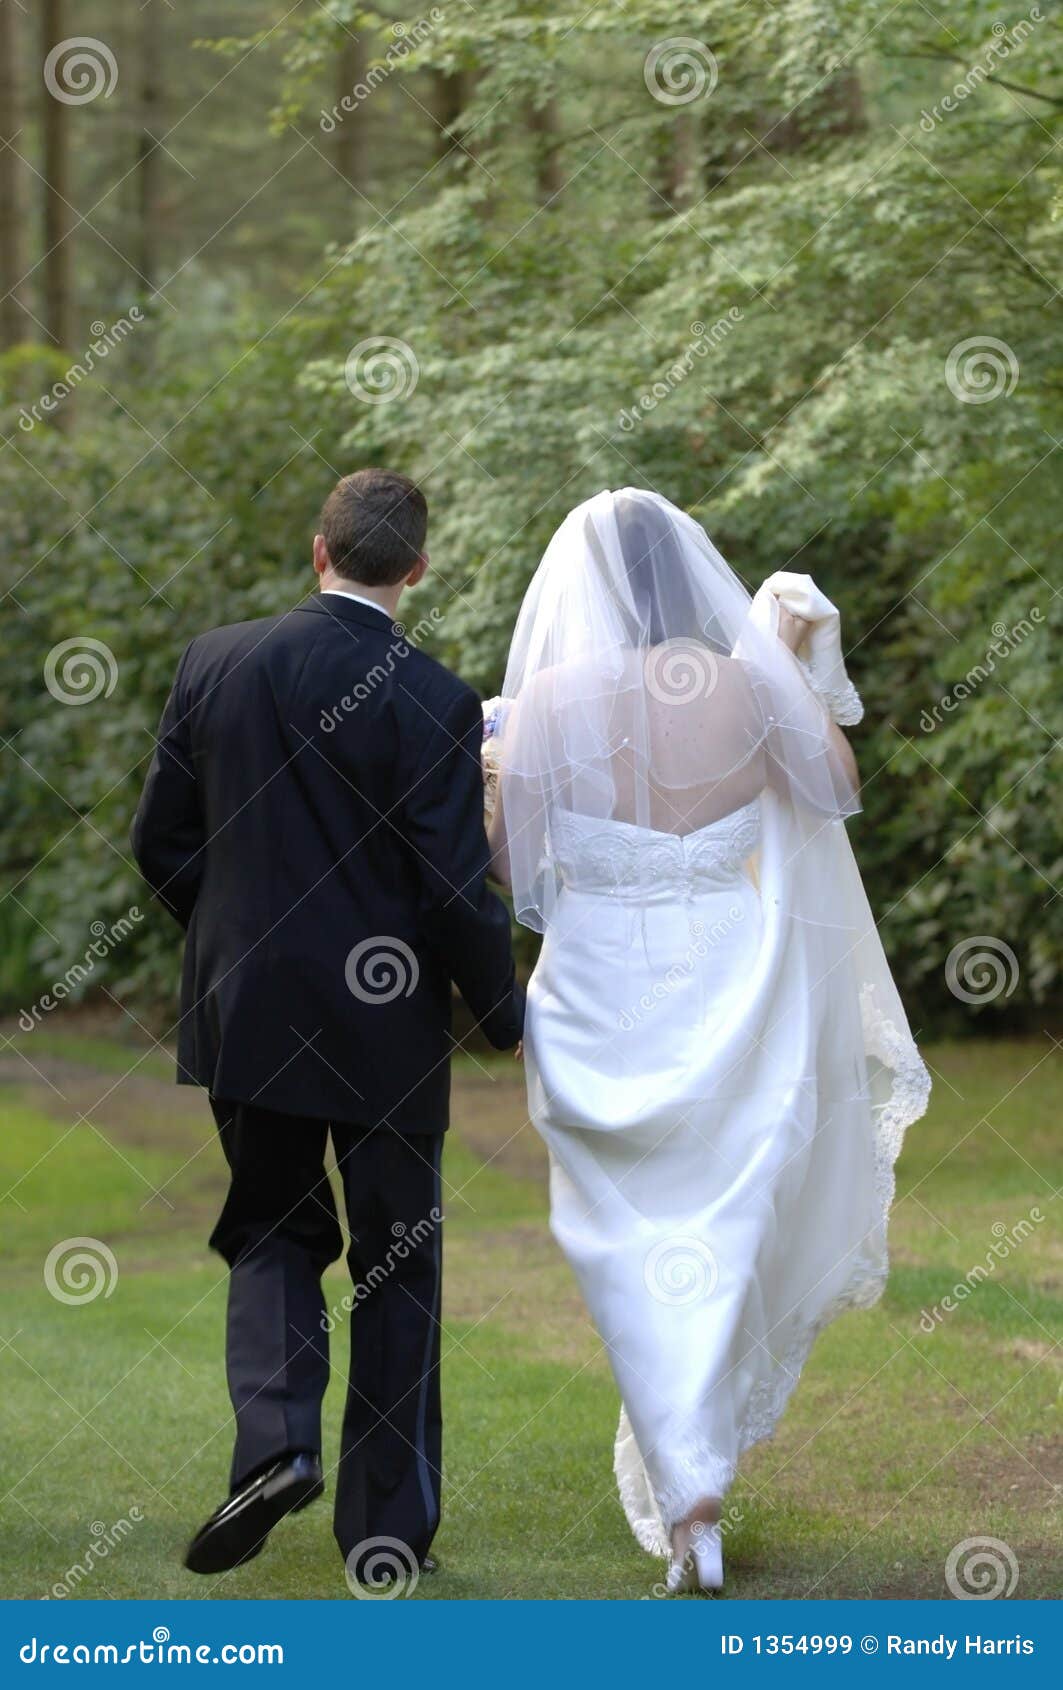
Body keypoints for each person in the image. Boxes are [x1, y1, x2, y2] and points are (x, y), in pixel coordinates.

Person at [487, 488, 928, 1593]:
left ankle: (693, 1491)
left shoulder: (545, 697)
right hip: (729, 976)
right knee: (725, 1220)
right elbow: (835, 787)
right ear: (687, 575)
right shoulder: (741, 685)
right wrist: (789, 670)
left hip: (595, 988)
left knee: (623, 1243)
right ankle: (699, 1490)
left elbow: (510, 872)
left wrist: (495, 777)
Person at [131, 467, 524, 1581]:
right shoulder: (435, 697)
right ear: (418, 567)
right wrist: (505, 1012)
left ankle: (275, 1446)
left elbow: (161, 840)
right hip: (386, 1026)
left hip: (247, 1009)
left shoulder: (217, 660)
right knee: (398, 1263)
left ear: (319, 551)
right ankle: (387, 1531)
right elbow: (455, 891)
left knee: (271, 1230)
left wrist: (228, 941)